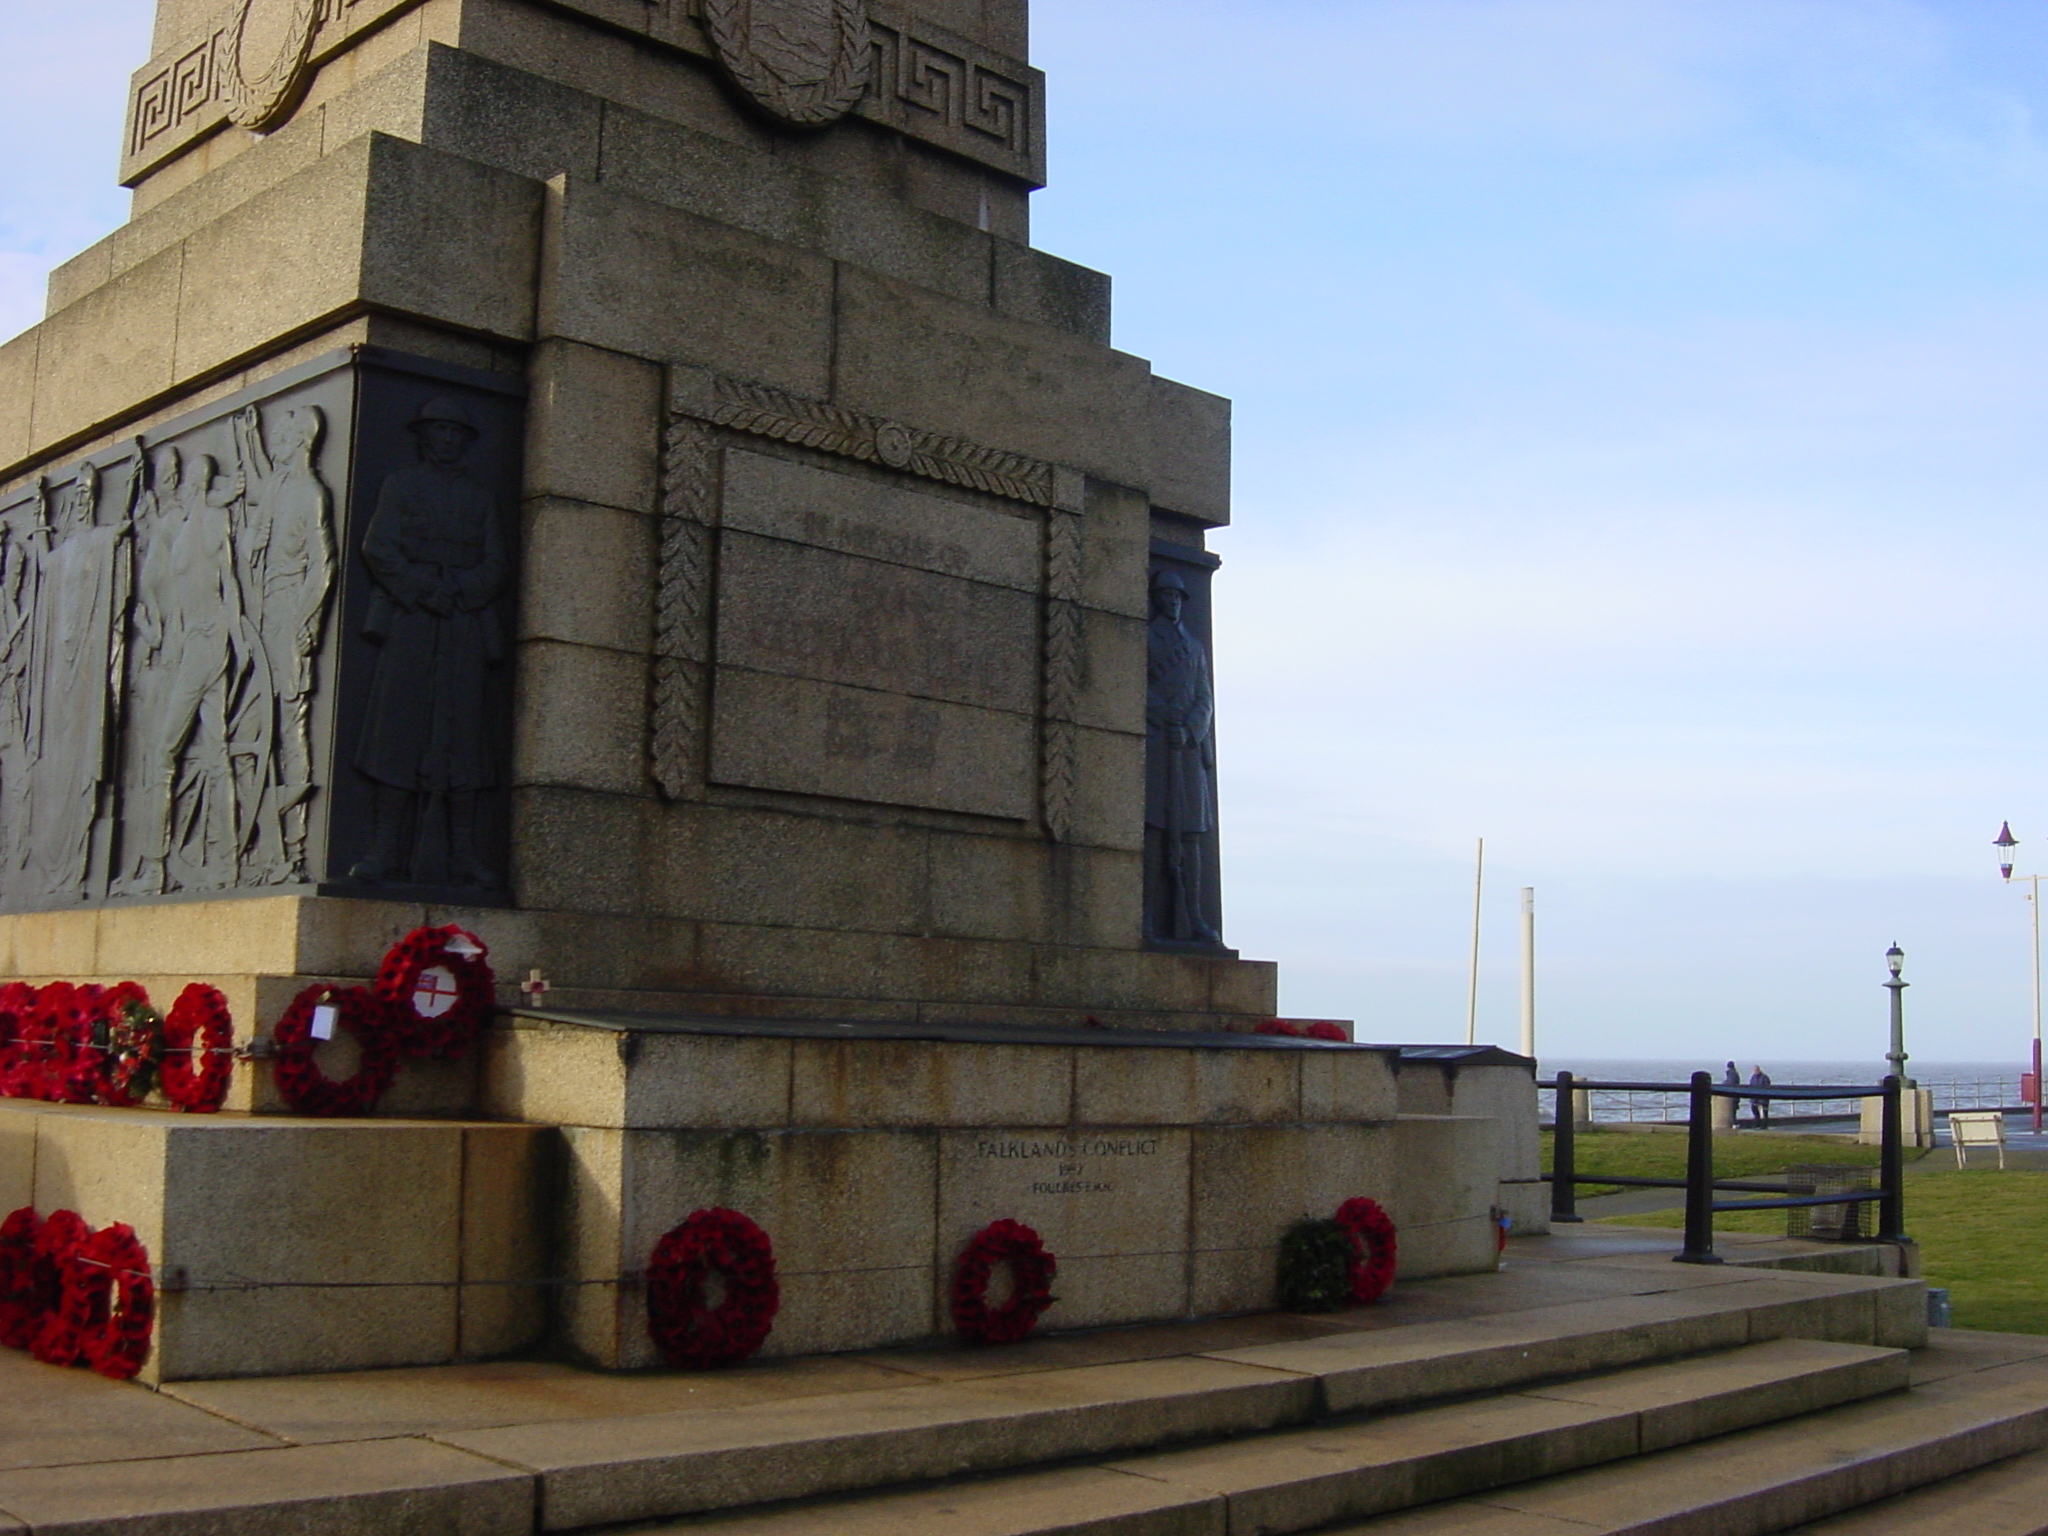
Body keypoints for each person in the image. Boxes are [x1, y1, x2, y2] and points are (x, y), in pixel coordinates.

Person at [350, 397, 507, 887]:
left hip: (462, 622)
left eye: (454, 432)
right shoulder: (402, 485)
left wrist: (459, 591)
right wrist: (422, 589)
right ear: (423, 436)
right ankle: (382, 851)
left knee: (465, 737)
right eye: (437, 431)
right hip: (411, 621)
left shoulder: (480, 497)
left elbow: (496, 562)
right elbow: (378, 547)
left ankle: (463, 854)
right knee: (395, 734)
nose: (446, 440)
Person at [1144, 567, 1219, 944]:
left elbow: (1205, 697)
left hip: (1187, 750)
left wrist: (1189, 728)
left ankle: (1193, 918)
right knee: (1155, 832)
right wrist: (1164, 716)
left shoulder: (1194, 647)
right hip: (1157, 745)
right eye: (1166, 596)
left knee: (1191, 835)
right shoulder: (1145, 637)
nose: (1172, 602)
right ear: (1158, 599)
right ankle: (1147, 919)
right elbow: (1132, 684)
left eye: (1177, 597)